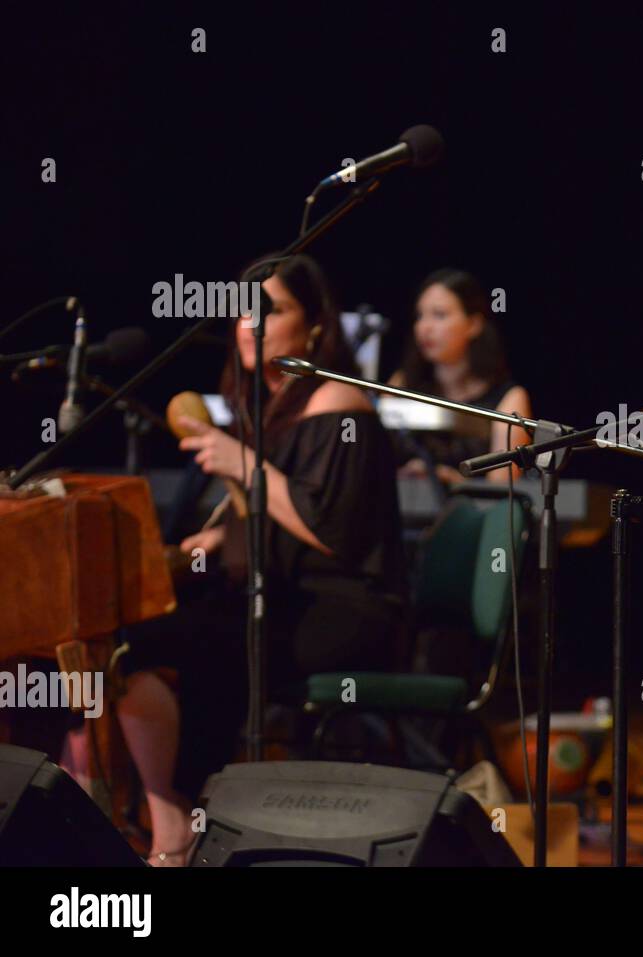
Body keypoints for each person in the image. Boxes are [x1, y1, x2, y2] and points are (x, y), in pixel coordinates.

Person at [62, 254, 406, 865]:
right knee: (131, 636)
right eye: (244, 312)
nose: (252, 324)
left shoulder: (341, 408)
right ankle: (169, 815)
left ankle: (181, 821)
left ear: (316, 325)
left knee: (193, 643)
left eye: (272, 311)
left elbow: (333, 534)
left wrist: (240, 464)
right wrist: (211, 544)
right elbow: (265, 520)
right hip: (276, 590)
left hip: (346, 605)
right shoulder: (263, 409)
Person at [389, 268, 531, 484]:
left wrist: (451, 481)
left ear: (473, 324)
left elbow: (504, 493)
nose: (424, 327)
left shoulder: (508, 397)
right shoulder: (401, 383)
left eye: (439, 315)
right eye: (419, 316)